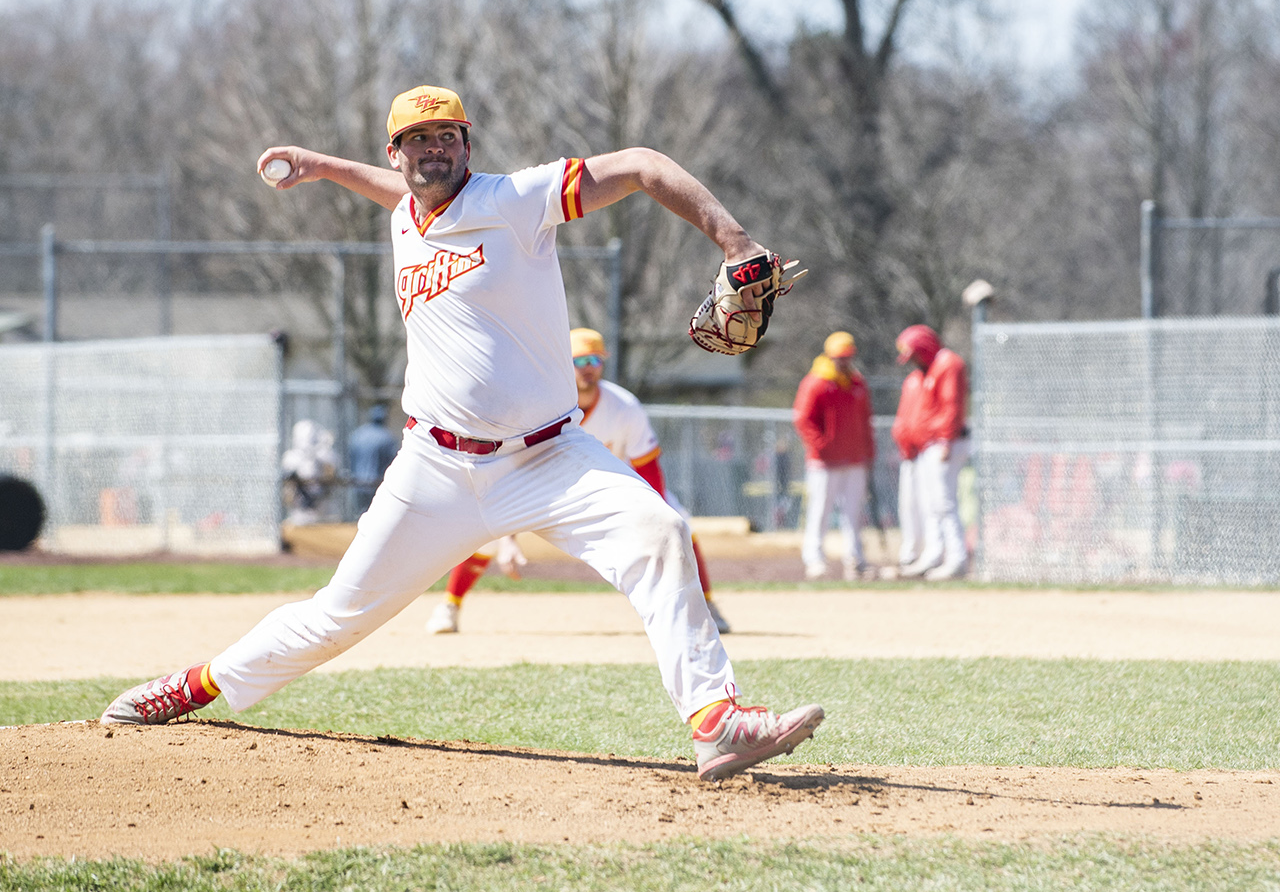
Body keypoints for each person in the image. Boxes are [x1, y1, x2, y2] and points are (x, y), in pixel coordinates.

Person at [99, 85, 822, 781]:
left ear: (468, 144)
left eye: (447, 134)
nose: (433, 149)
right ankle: (192, 685)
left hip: (549, 457)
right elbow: (397, 196)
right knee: (337, 617)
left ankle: (715, 722)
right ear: (396, 154)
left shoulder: (514, 201)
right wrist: (320, 166)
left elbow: (641, 166)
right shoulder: (404, 215)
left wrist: (733, 240)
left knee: (660, 533)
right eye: (417, 139)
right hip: (435, 470)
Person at [426, 327, 733, 635]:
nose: (588, 368)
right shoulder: (542, 406)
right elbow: (514, 470)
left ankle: (706, 607)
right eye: (580, 359)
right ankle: (449, 606)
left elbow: (647, 466)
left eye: (595, 360)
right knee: (487, 532)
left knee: (678, 522)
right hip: (547, 489)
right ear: (563, 364)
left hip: (613, 489)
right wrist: (508, 538)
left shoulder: (623, 407)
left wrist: (655, 512)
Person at [793, 331, 877, 581]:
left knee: (854, 513)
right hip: (824, 462)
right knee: (820, 511)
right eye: (840, 357)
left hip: (854, 459)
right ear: (830, 356)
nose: (844, 361)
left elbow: (865, 420)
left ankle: (855, 559)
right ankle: (814, 558)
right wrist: (822, 446)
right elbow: (803, 419)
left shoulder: (857, 383)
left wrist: (868, 451)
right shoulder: (816, 382)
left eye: (848, 357)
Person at [891, 323, 968, 579]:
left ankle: (957, 558)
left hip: (944, 443)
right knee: (931, 505)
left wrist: (945, 439)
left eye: (914, 355)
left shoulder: (948, 364)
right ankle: (934, 555)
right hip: (928, 446)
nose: (914, 362)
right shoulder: (928, 370)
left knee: (944, 503)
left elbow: (951, 405)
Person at [345, 404, 400, 514]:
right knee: (377, 513)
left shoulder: (358, 434)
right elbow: (393, 461)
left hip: (358, 482)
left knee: (360, 514)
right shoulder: (387, 437)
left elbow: (350, 457)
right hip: (377, 482)